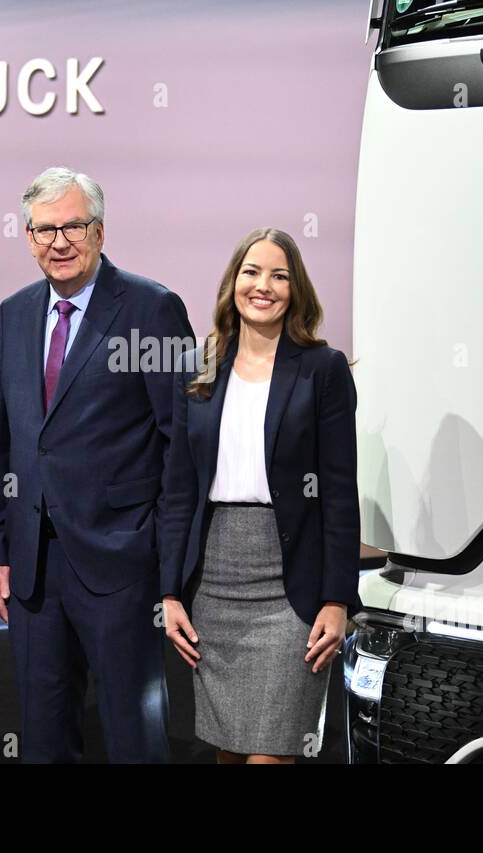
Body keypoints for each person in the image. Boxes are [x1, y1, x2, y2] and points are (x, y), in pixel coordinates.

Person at [0, 166, 193, 763]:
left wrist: (167, 561)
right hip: (32, 569)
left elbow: (181, 445)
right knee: (43, 736)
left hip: (122, 562)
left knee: (134, 734)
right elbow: (5, 443)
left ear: (100, 231)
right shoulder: (14, 313)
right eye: (45, 230)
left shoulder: (155, 308)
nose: (59, 241)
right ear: (28, 236)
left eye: (73, 226)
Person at [160, 227, 360, 764]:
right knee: (230, 749)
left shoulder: (323, 370)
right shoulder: (198, 367)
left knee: (271, 752)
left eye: (279, 275)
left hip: (292, 585)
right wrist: (171, 592)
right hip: (214, 581)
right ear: (234, 283)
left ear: (296, 290)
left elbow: (339, 492)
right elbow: (179, 490)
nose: (263, 285)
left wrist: (337, 600)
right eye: (252, 272)